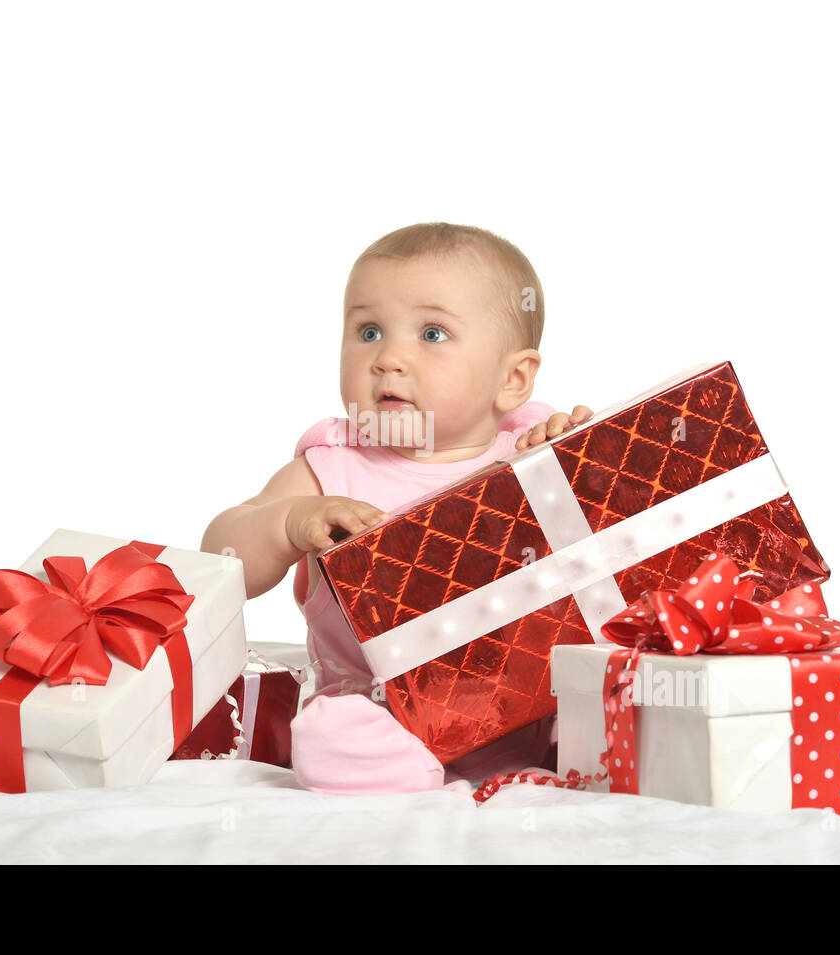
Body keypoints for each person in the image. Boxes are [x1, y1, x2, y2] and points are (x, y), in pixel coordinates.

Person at [201, 222, 592, 794]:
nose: (388, 357)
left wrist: (581, 465)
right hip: (387, 717)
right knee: (336, 734)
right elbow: (219, 558)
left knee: (631, 675)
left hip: (533, 710)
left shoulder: (531, 450)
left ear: (512, 380)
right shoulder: (329, 471)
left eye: (432, 333)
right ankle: (383, 765)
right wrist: (287, 524)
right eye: (367, 330)